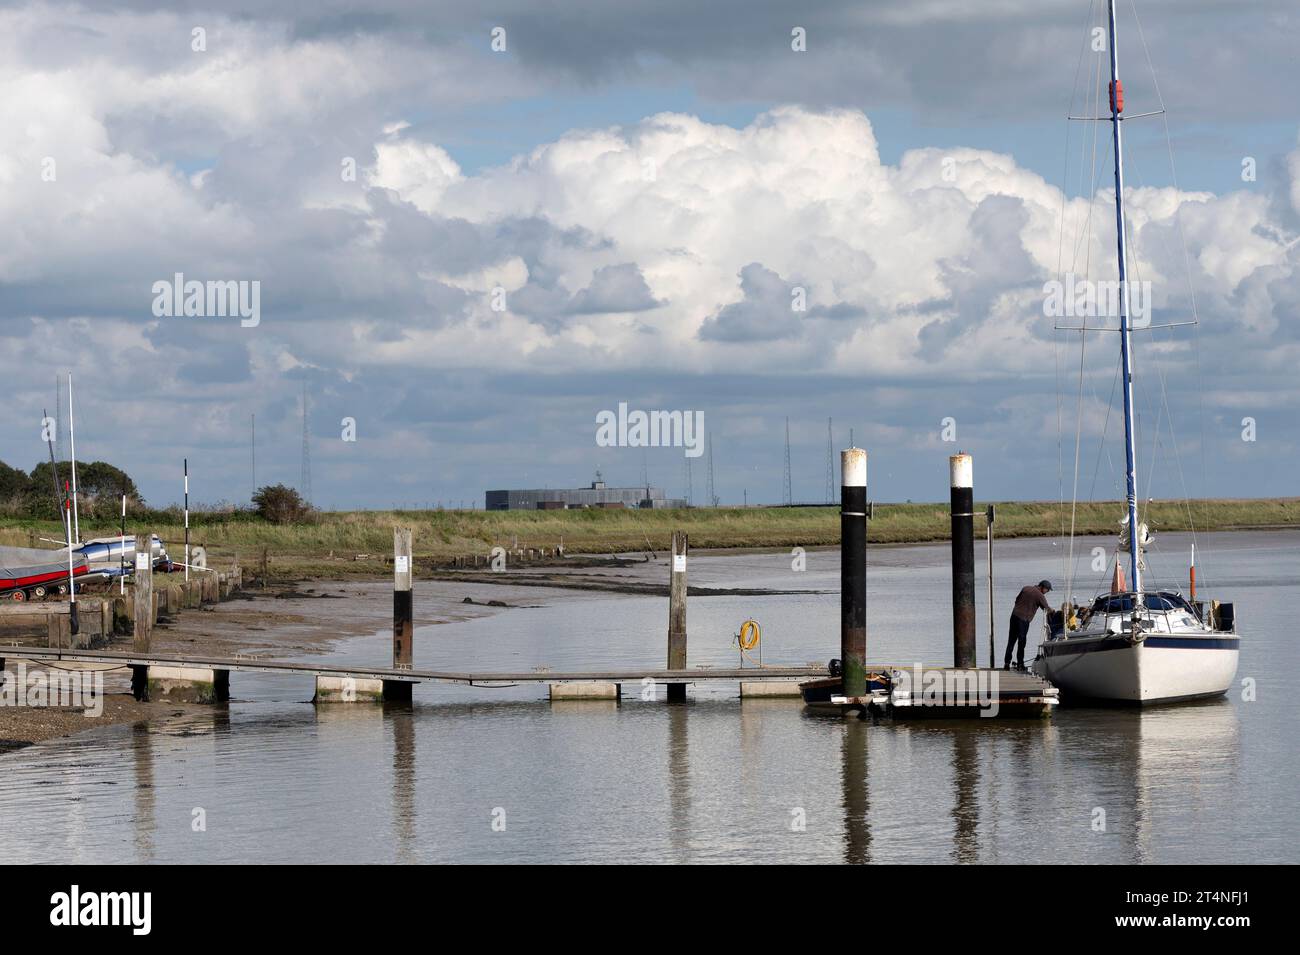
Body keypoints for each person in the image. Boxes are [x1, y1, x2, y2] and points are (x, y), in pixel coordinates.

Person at [1004, 580, 1053, 670]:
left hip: (1014, 616)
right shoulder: (1040, 595)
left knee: (1011, 640)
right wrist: (1053, 611)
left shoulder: (1025, 588)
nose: (1047, 592)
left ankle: (1007, 663)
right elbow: (1046, 609)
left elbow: (1016, 600)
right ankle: (1020, 664)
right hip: (1024, 620)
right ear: (1043, 588)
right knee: (1022, 642)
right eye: (1048, 590)